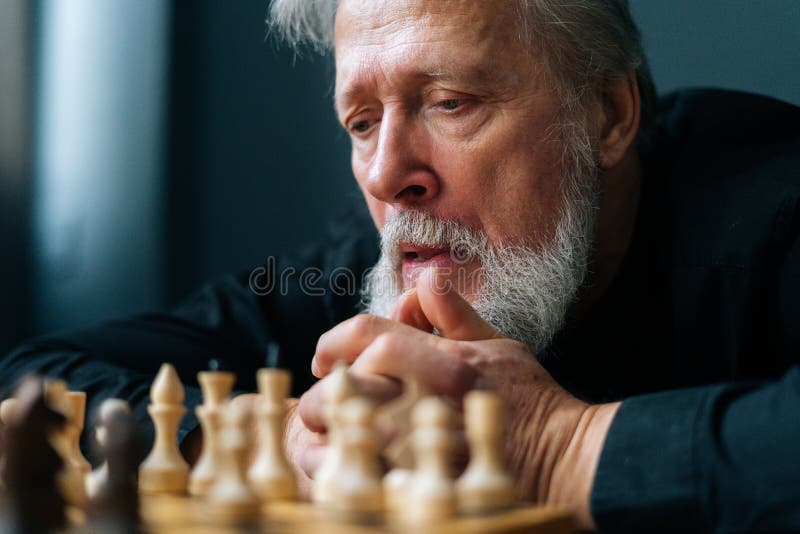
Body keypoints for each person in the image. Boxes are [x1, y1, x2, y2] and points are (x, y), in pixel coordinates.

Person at [3, 0, 799, 531]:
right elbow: (31, 375)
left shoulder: (775, 198)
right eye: (360, 120)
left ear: (608, 114)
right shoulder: (369, 255)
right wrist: (279, 438)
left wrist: (564, 447)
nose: (386, 175)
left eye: (450, 101)